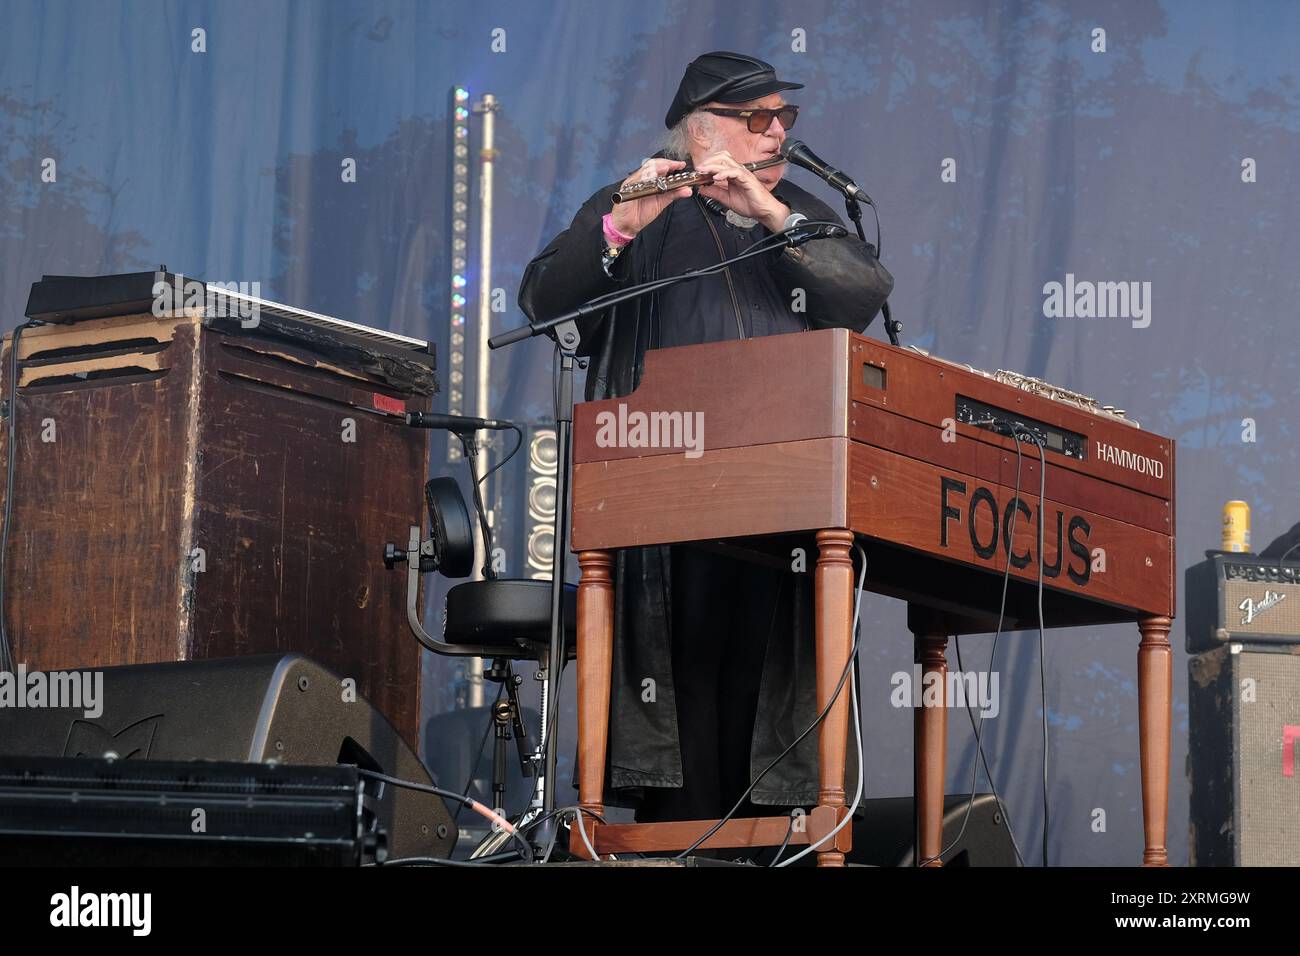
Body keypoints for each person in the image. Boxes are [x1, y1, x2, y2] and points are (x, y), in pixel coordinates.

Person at [518, 52, 893, 825]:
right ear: (703, 130)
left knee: (772, 697)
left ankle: (774, 842)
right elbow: (543, 299)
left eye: (786, 119)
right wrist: (620, 223)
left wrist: (771, 213)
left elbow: (861, 294)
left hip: (785, 505)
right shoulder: (643, 205)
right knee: (679, 690)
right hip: (664, 504)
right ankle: (680, 841)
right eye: (760, 120)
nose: (779, 132)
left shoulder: (792, 213)